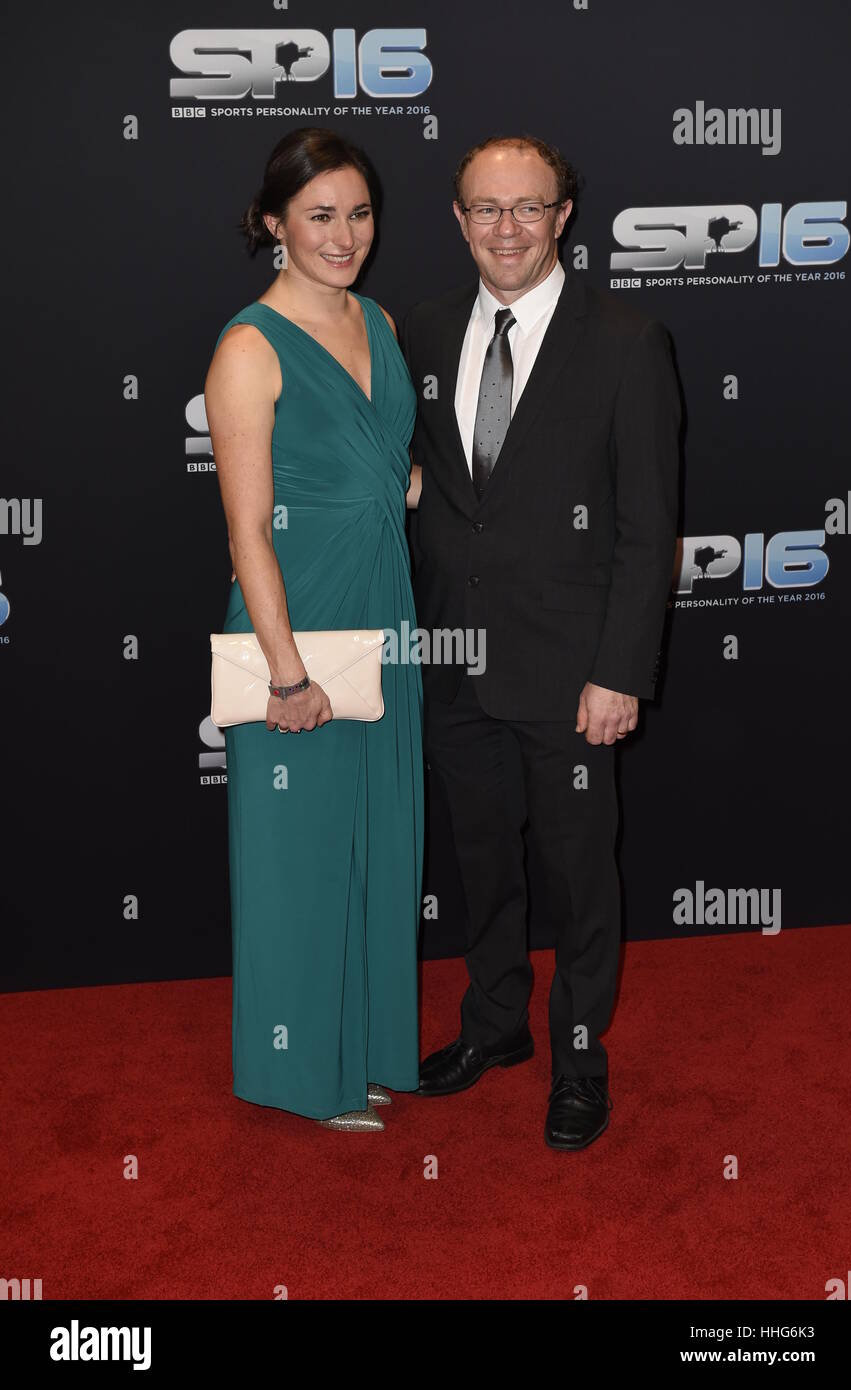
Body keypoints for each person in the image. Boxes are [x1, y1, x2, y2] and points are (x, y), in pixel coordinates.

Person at [400, 134, 681, 1150]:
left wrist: (619, 671)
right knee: (483, 862)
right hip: (454, 665)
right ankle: (494, 1026)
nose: (506, 229)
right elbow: (433, 483)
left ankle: (577, 1056)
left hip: (571, 675)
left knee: (578, 877)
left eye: (528, 207)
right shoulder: (422, 333)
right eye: (485, 208)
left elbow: (649, 527)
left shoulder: (624, 340)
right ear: (457, 218)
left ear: (564, 215)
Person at [204, 127, 424, 1132]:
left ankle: (366, 1049)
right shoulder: (248, 346)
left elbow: (387, 469)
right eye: (320, 215)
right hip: (299, 625)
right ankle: (302, 1072)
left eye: (359, 213)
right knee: (299, 858)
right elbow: (247, 524)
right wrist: (286, 675)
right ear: (273, 224)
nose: (345, 235)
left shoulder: (376, 320)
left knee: (378, 840)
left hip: (383, 604)